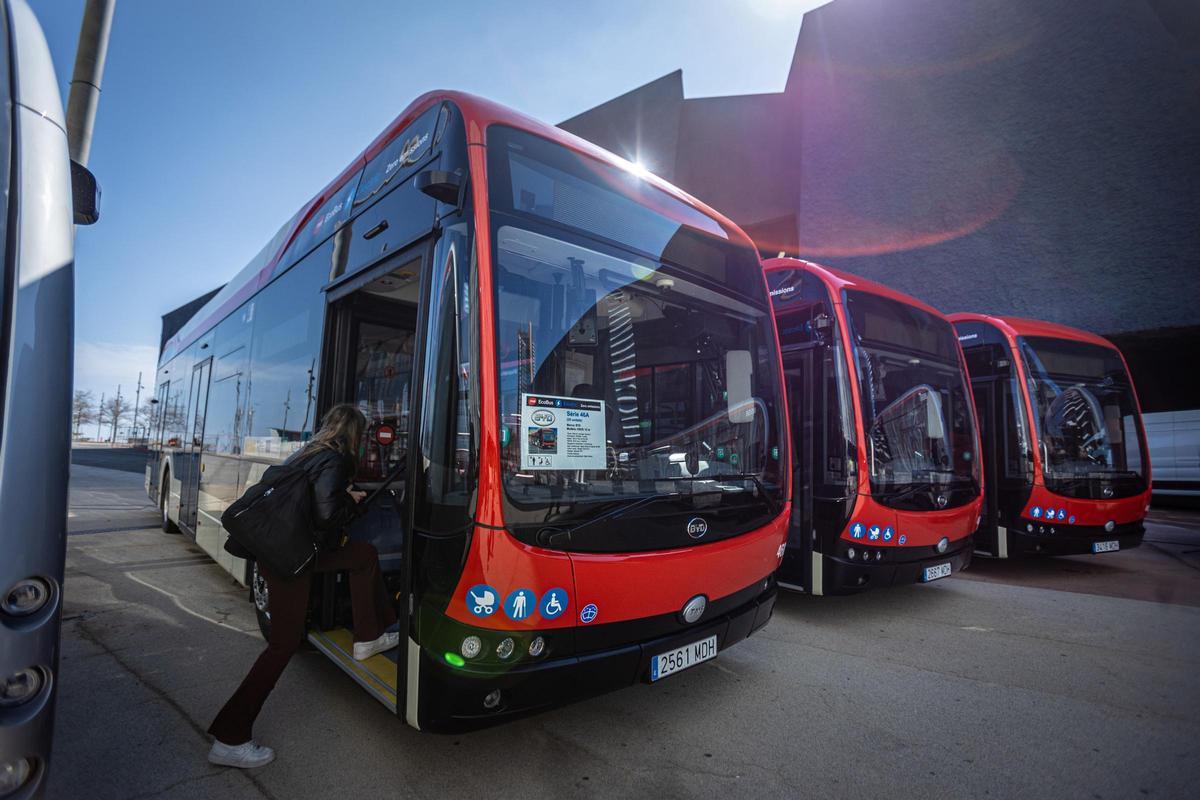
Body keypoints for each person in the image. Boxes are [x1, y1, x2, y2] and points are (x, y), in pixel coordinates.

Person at [207, 404, 399, 769]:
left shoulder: (308, 452)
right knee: (283, 644)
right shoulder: (338, 460)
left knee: (362, 556)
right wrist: (352, 500)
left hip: (284, 547)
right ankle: (231, 737)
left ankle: (368, 636)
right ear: (355, 433)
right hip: (290, 556)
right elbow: (327, 515)